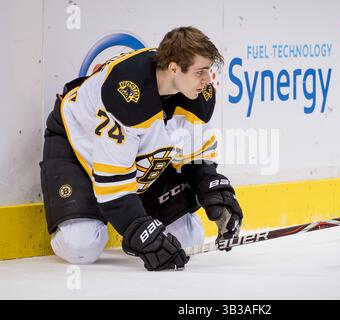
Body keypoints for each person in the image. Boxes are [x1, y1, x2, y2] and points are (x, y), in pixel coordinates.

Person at [40, 26, 244, 271]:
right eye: (200, 72)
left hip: (136, 156)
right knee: (80, 246)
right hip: (78, 147)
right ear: (173, 68)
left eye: (208, 71)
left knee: (188, 238)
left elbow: (195, 156)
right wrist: (141, 232)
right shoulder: (126, 96)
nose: (207, 80)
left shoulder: (197, 93)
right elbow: (113, 185)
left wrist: (216, 195)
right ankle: (90, 214)